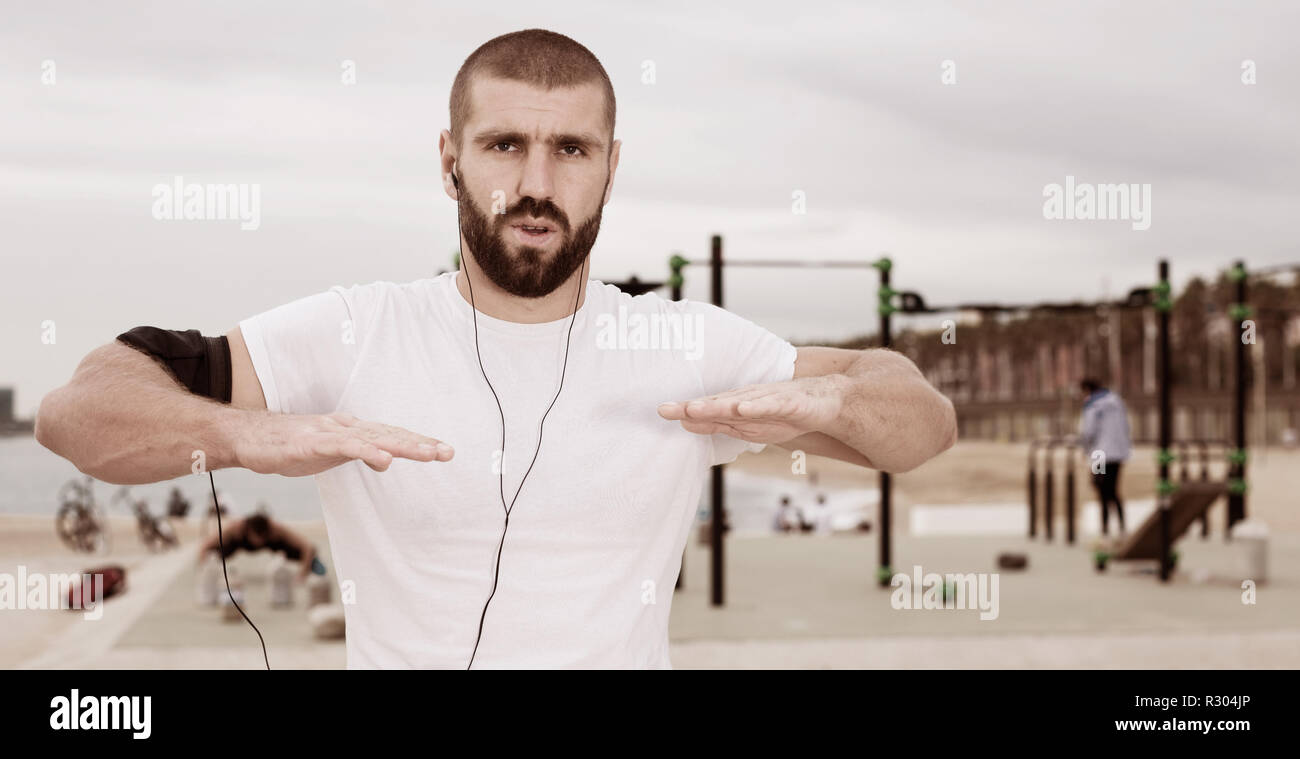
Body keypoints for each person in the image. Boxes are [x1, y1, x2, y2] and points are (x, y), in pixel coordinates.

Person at [34, 29, 957, 669]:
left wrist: (833, 405)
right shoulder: (353, 331)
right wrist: (239, 435)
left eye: (571, 150)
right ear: (449, 159)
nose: (536, 184)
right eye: (504, 144)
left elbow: (921, 424)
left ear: (611, 165)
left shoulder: (685, 344)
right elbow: (81, 411)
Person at [196, 513, 325, 583]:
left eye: (261, 538)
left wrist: (302, 574)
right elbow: (205, 546)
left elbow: (307, 547)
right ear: (249, 531)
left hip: (276, 547)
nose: (258, 542)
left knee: (308, 552)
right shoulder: (236, 529)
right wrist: (204, 570)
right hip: (237, 546)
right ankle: (211, 567)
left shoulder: (275, 529)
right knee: (214, 553)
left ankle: (313, 565)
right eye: (255, 538)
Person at [1077, 377, 1131, 536]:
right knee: (1114, 489)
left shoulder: (1092, 405)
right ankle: (1121, 524)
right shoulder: (1117, 401)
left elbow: (1088, 432)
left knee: (1099, 486)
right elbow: (1126, 426)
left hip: (1099, 453)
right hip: (1118, 453)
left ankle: (1105, 525)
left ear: (1086, 389)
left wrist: (1085, 450)